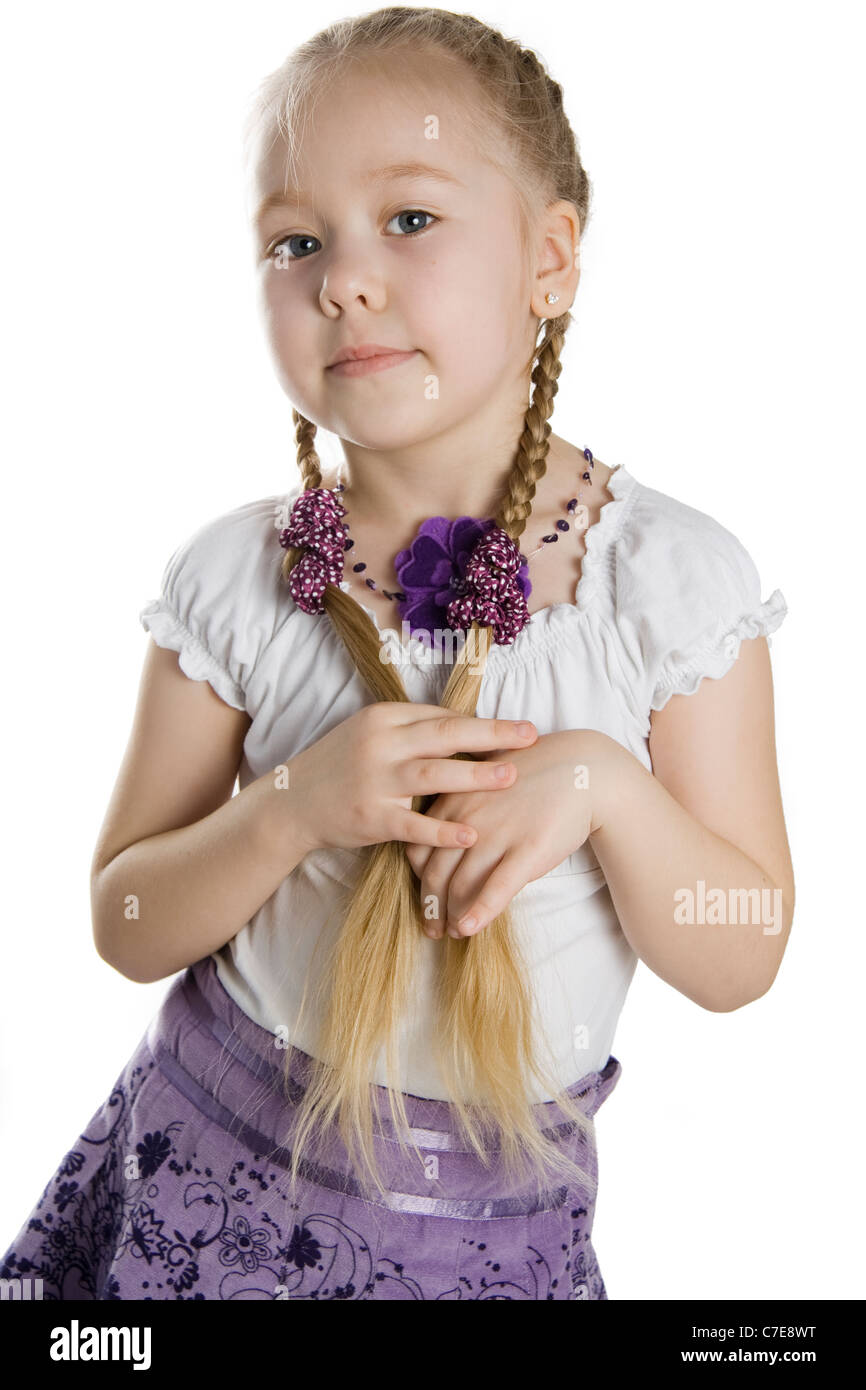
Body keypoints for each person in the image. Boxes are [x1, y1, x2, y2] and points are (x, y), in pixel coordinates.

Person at [0, 6, 794, 1301]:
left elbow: (741, 945)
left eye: (409, 221)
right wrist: (292, 808)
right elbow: (126, 921)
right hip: (198, 1208)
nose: (343, 278)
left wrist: (602, 785)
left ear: (549, 259)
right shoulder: (239, 581)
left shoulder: (661, 588)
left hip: (479, 1249)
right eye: (294, 241)